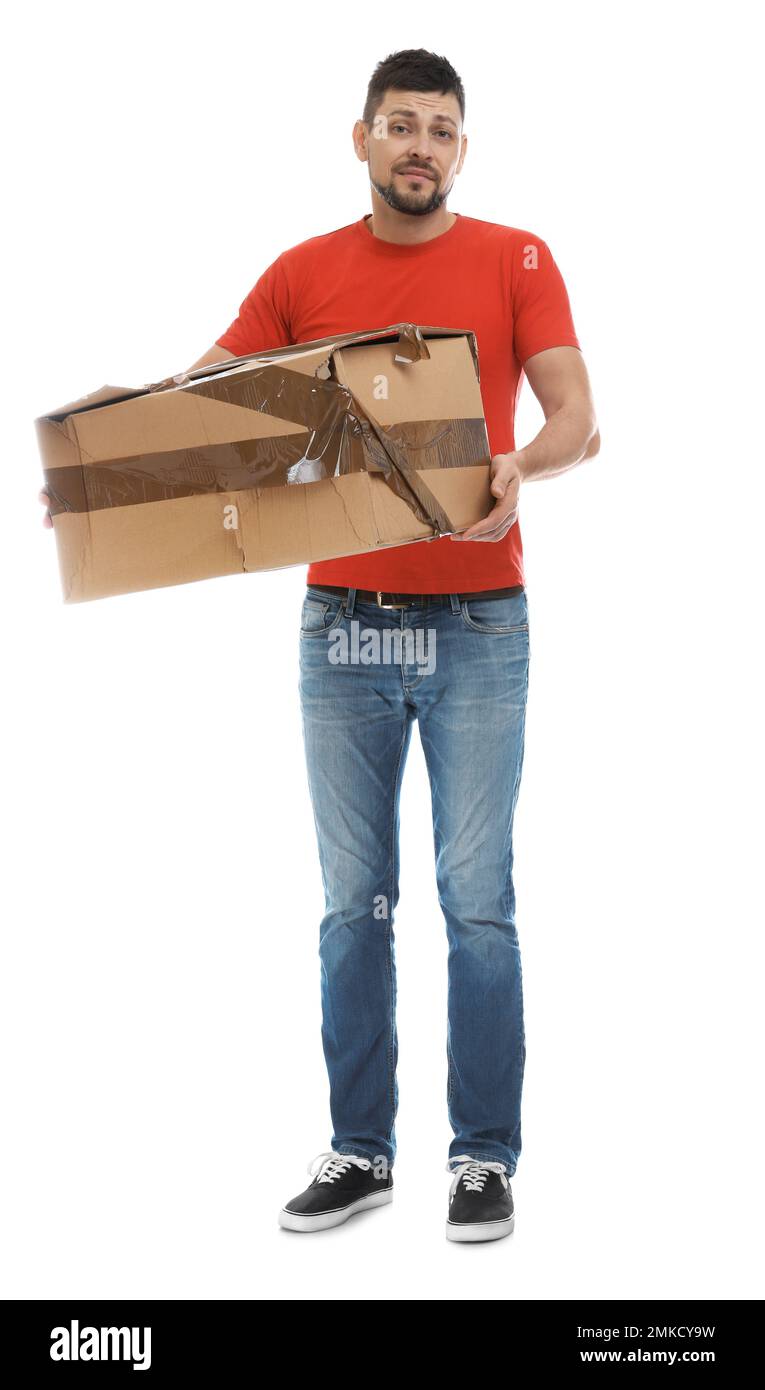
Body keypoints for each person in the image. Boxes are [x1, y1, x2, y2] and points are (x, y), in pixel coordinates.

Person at [39, 47, 600, 1244]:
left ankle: (484, 1159)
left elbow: (579, 421)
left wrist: (520, 464)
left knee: (476, 901)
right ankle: (361, 1150)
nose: (419, 146)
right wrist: (101, 481)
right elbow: (203, 408)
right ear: (361, 139)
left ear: (462, 148)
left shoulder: (517, 258)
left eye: (441, 130)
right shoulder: (303, 271)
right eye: (399, 124)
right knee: (355, 902)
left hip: (480, 627)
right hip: (344, 624)